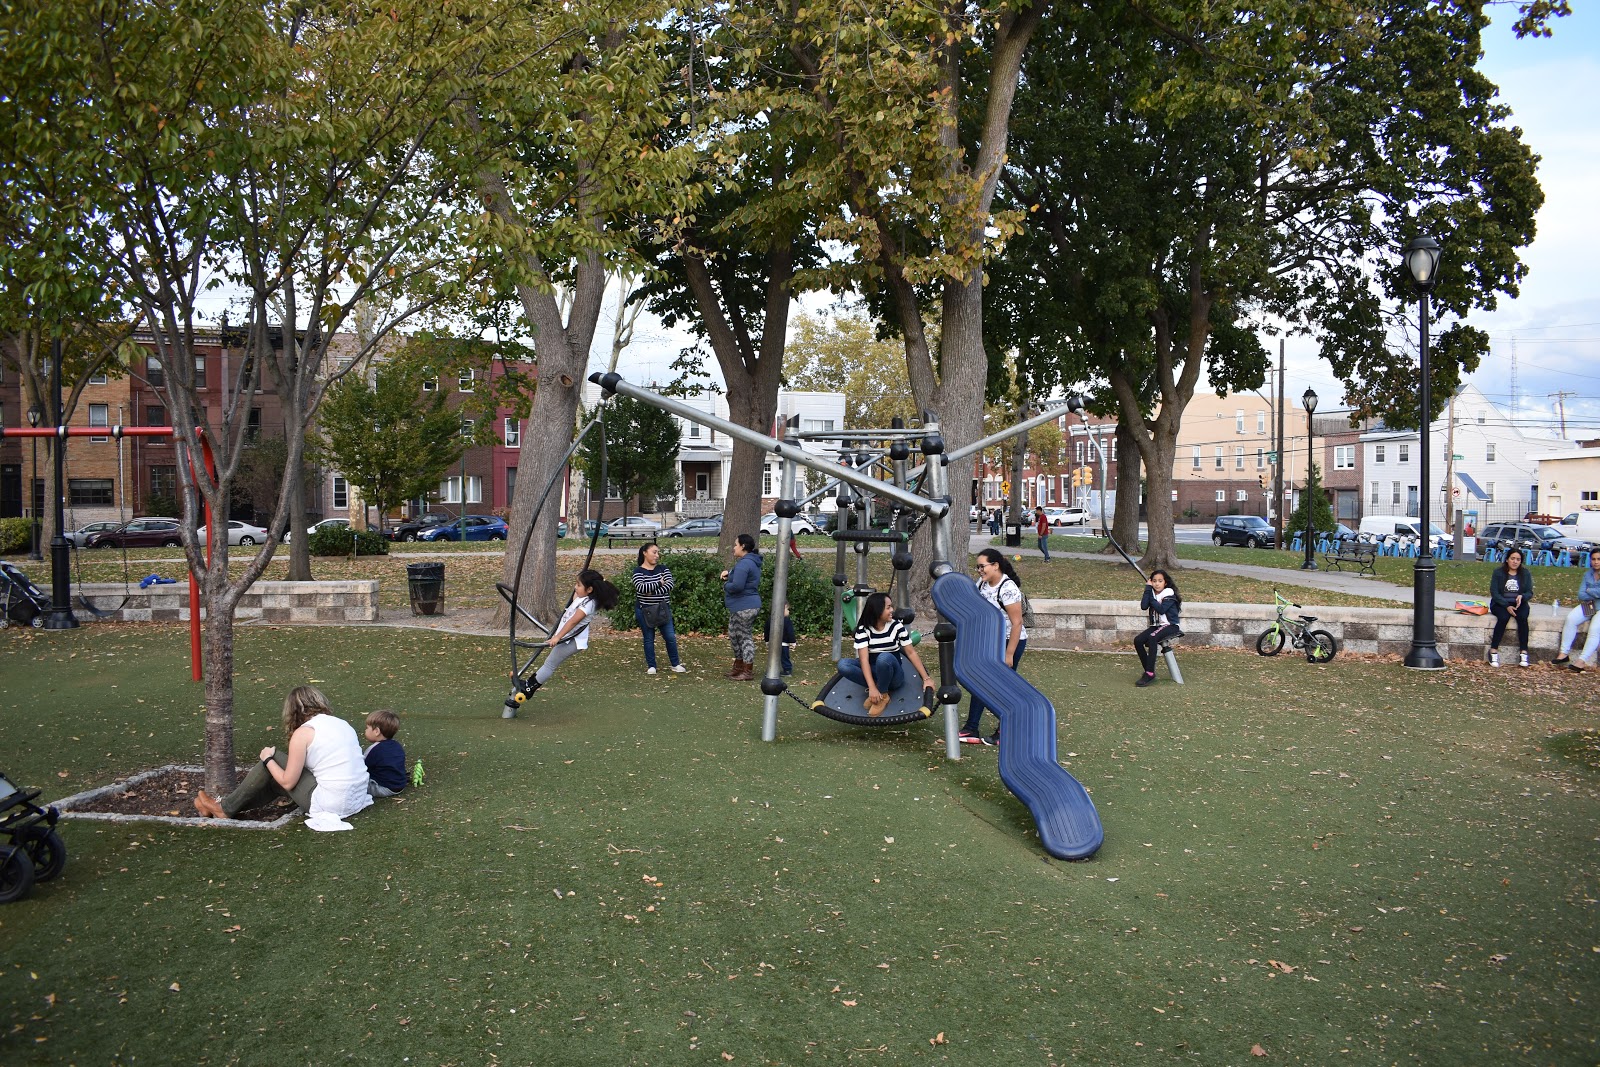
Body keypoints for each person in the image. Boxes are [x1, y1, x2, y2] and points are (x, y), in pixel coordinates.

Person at [194, 685, 373, 831]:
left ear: (293, 711)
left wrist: (267, 759)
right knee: (273, 782)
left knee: (274, 758)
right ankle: (221, 807)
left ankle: (223, 808)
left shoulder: (303, 733)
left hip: (333, 804)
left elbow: (288, 782)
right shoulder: (342, 723)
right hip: (357, 797)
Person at [505, 568, 621, 715]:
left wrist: (557, 637)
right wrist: (581, 579)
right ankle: (528, 685)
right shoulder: (583, 599)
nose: (575, 587)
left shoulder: (589, 605)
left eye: (578, 585)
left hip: (571, 641)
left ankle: (528, 689)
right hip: (568, 638)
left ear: (590, 589)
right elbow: (574, 600)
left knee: (550, 664)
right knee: (549, 663)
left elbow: (573, 622)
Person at [960, 548, 1027, 745]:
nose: (979, 570)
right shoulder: (981, 583)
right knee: (980, 683)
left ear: (995, 565)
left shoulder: (1008, 588)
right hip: (990, 640)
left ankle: (1005, 730)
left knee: (1002, 687)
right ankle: (971, 728)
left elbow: (1017, 623)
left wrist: (1009, 654)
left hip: (1010, 641)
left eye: (982, 566)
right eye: (977, 567)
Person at [838, 592, 932, 716]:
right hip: (874, 671)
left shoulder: (896, 626)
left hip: (893, 675)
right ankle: (877, 689)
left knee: (884, 657)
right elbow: (864, 660)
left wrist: (926, 679)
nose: (892, 610)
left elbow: (911, 652)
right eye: (888, 607)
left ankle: (883, 695)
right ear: (877, 610)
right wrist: (872, 688)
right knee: (843, 665)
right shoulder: (863, 630)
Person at [632, 543, 685, 675]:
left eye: (658, 553)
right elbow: (641, 589)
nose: (657, 555)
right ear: (645, 552)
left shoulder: (663, 569)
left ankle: (675, 664)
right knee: (649, 638)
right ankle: (651, 666)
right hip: (644, 610)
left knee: (670, 637)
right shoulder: (637, 571)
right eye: (654, 552)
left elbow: (670, 585)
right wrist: (660, 583)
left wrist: (651, 590)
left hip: (662, 609)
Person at [721, 533, 763, 680]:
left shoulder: (745, 563)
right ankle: (738, 667)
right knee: (734, 636)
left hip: (745, 606)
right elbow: (738, 576)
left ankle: (747, 671)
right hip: (740, 606)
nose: (734, 547)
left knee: (744, 638)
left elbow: (737, 586)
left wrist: (726, 585)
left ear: (743, 546)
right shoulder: (748, 562)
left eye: (735, 544)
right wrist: (729, 574)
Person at [1133, 570, 1182, 687]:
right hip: (1157, 626)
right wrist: (1147, 589)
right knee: (1138, 640)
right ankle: (1149, 671)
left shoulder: (1168, 593)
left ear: (1165, 582)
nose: (1157, 584)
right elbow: (1144, 606)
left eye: (1160, 581)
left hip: (1170, 626)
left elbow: (1161, 609)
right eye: (1154, 581)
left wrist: (1152, 598)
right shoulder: (1152, 592)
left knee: (1152, 637)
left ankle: (1149, 673)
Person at [1553, 553, 1600, 671]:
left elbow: (1586, 591)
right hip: (1589, 605)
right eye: (1593, 559)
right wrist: (1594, 592)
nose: (1596, 562)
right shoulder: (1587, 574)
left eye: (1599, 559)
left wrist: (1589, 590)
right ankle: (1563, 654)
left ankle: (1581, 661)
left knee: (1594, 629)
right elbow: (1580, 594)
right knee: (1571, 619)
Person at [1488, 547, 1533, 667]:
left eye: (1518, 559)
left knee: (1522, 618)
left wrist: (1522, 597)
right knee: (1503, 617)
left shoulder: (1525, 573)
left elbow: (1529, 592)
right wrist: (1506, 605)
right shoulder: (1498, 572)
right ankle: (1493, 650)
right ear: (1507, 559)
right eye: (1512, 558)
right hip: (1501, 603)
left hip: (1518, 604)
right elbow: (1494, 592)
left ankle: (1524, 651)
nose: (1515, 561)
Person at [363, 709, 407, 798]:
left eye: (367, 728)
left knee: (354, 782)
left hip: (383, 788)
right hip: (400, 785)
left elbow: (361, 768)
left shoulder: (373, 750)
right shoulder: (396, 745)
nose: (365, 731)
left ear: (376, 731)